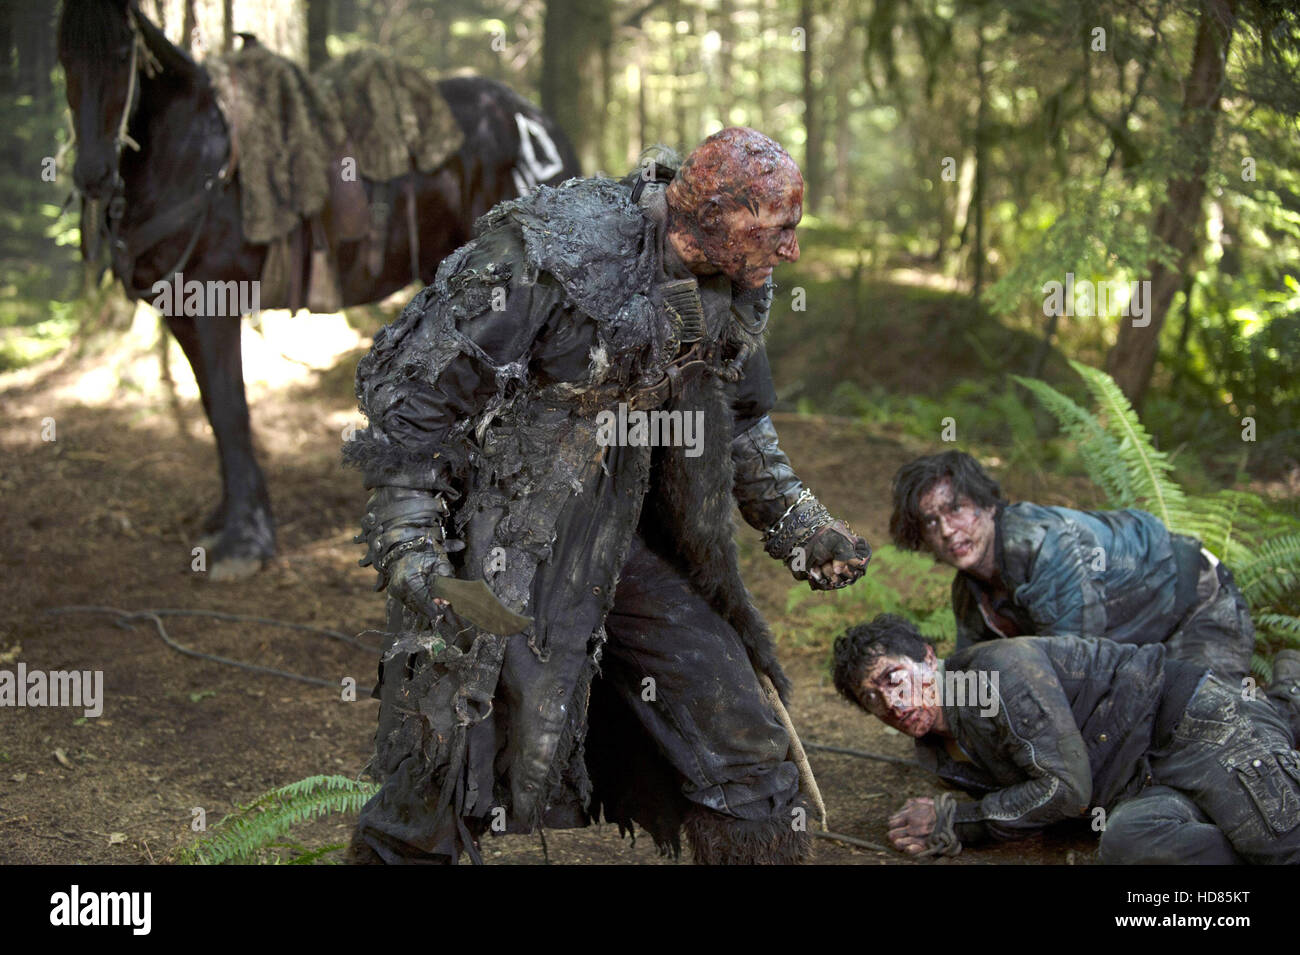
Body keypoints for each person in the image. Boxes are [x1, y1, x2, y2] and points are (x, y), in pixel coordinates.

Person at [342, 127, 872, 864]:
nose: (791, 251)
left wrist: (798, 520)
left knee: (741, 736)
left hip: (619, 536)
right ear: (714, 216)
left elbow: (736, 425)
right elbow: (413, 395)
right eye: (777, 228)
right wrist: (414, 546)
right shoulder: (548, 255)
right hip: (497, 540)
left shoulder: (735, 285)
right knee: (443, 767)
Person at [832, 614, 1300, 864]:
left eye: (894, 678)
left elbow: (1065, 789)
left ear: (929, 658)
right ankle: (1280, 722)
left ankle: (1281, 709)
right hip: (1137, 783)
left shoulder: (997, 672)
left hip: (1188, 726)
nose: (891, 703)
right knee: (1127, 846)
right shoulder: (939, 752)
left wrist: (961, 821)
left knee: (1279, 846)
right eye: (871, 698)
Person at [888, 450, 1256, 685]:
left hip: (1197, 605)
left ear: (987, 505)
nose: (948, 531)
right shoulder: (969, 591)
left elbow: (1074, 671)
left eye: (956, 509)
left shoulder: (1048, 546)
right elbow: (974, 673)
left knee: (1213, 726)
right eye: (931, 522)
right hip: (1139, 640)